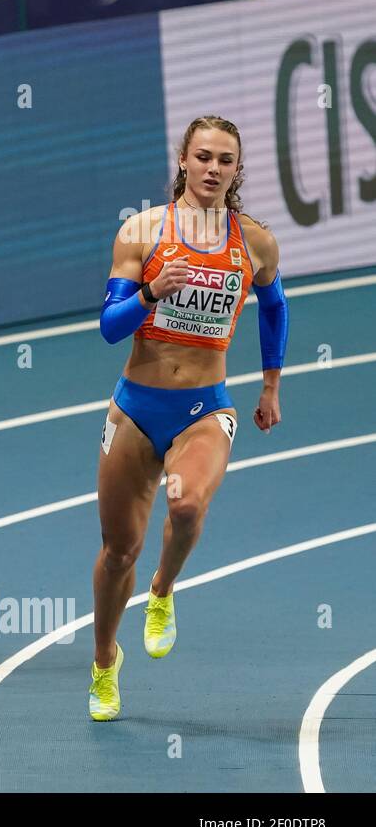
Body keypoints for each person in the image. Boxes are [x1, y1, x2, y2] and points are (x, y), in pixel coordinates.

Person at [89, 115, 288, 719]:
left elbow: (275, 307)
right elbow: (107, 328)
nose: (212, 169)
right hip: (135, 407)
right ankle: (103, 662)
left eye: (225, 160)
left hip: (205, 408)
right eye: (202, 157)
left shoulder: (254, 241)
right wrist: (152, 293)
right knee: (119, 548)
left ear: (236, 169)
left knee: (187, 504)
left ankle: (163, 590)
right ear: (182, 161)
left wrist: (270, 386)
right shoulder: (143, 232)